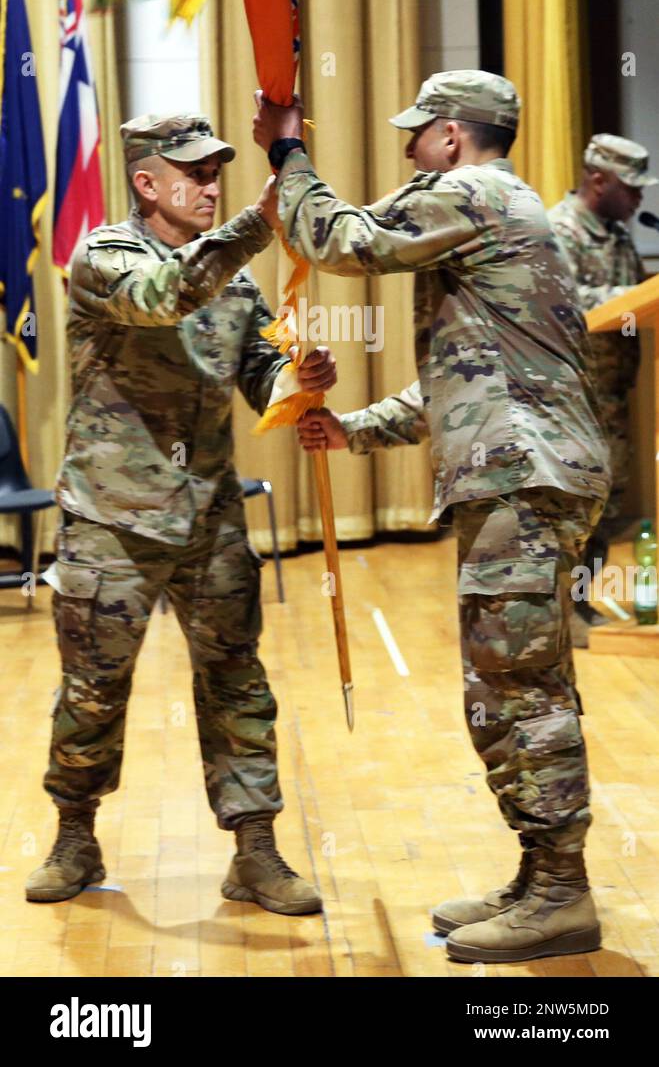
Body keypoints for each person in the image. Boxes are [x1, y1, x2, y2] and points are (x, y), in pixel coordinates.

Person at [253, 71, 611, 963]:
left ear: (452, 136)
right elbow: (468, 377)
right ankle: (540, 873)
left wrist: (286, 149)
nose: (407, 148)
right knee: (519, 682)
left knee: (515, 691)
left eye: (417, 134)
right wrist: (353, 432)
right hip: (529, 467)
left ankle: (561, 892)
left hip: (520, 478)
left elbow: (341, 240)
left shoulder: (472, 194)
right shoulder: (505, 209)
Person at [27, 113, 336, 916]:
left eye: (216, 172)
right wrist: (258, 222)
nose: (209, 185)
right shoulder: (104, 257)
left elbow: (259, 371)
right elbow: (164, 298)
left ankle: (255, 850)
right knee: (93, 689)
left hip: (208, 515)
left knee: (237, 680)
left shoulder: (233, 280)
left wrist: (297, 379)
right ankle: (74, 834)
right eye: (194, 173)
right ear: (145, 182)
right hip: (112, 516)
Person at [548, 135, 655, 635]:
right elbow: (571, 304)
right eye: (631, 189)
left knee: (606, 510)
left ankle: (581, 606)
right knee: (574, 511)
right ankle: (561, 612)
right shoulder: (559, 230)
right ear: (597, 180)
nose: (638, 200)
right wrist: (639, 293)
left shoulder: (616, 234)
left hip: (609, 399)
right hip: (570, 398)